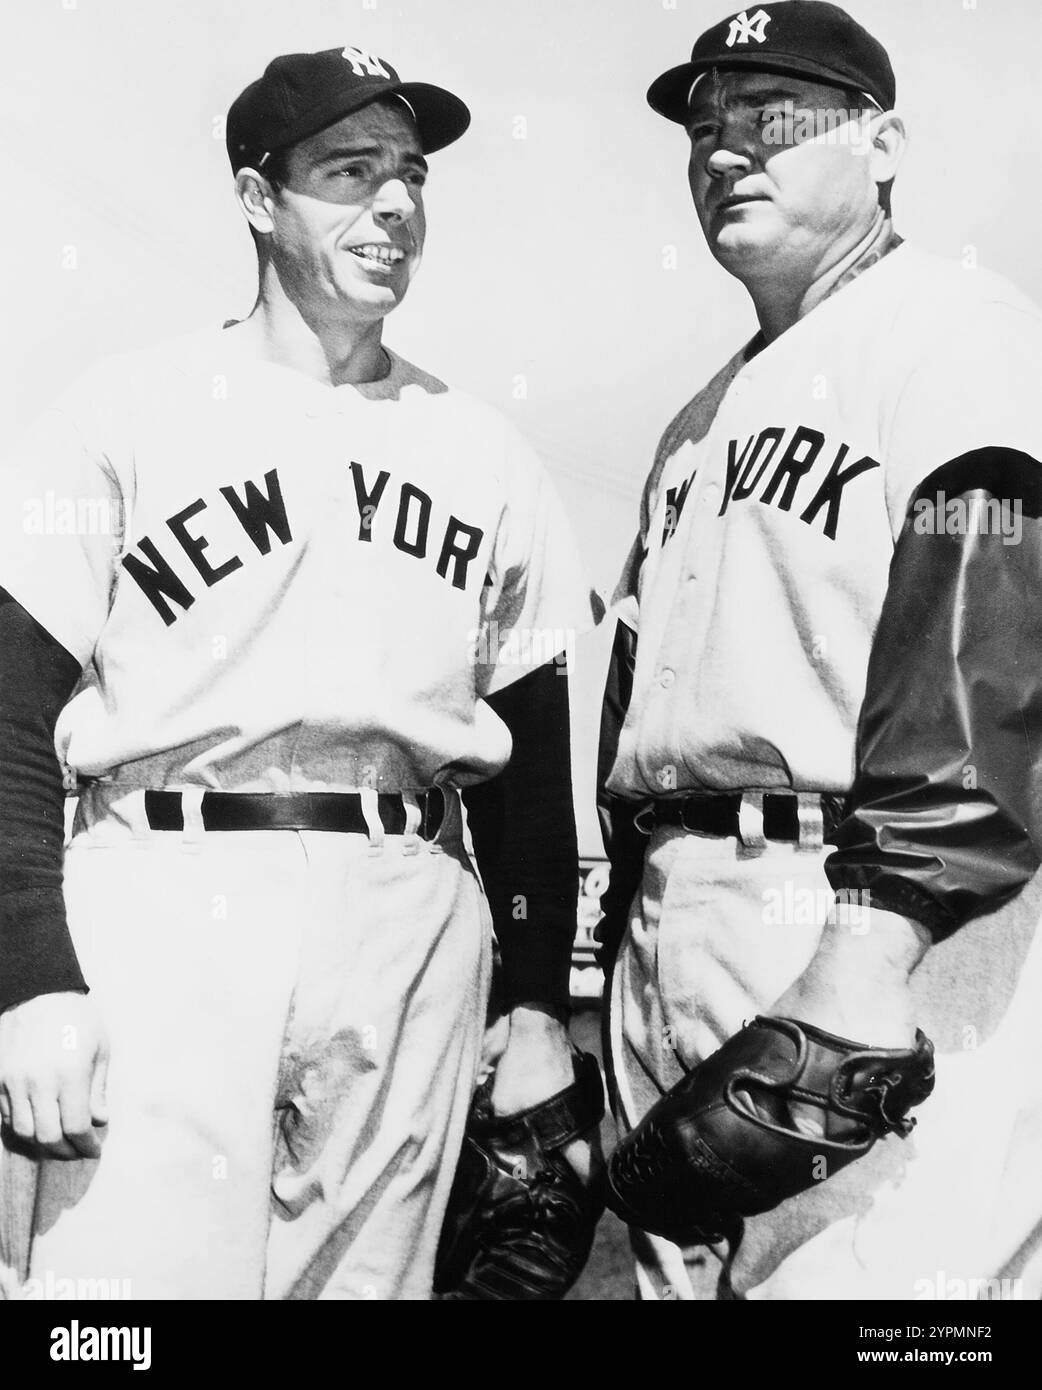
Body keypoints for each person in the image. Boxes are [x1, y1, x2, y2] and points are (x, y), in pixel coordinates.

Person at [0, 44, 596, 1300]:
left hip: (412, 901)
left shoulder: (484, 449)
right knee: (115, 1308)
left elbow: (529, 769)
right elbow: (6, 719)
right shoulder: (126, 411)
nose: (395, 206)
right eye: (349, 171)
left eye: (411, 176)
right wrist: (29, 976)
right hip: (169, 879)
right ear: (258, 199)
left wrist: (536, 1003)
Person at [597, 0, 1042, 1300]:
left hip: (867, 920)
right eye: (704, 126)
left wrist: (873, 945)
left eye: (775, 116)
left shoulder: (958, 330)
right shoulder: (695, 418)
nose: (726, 148)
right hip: (678, 930)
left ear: (884, 141)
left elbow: (989, 628)